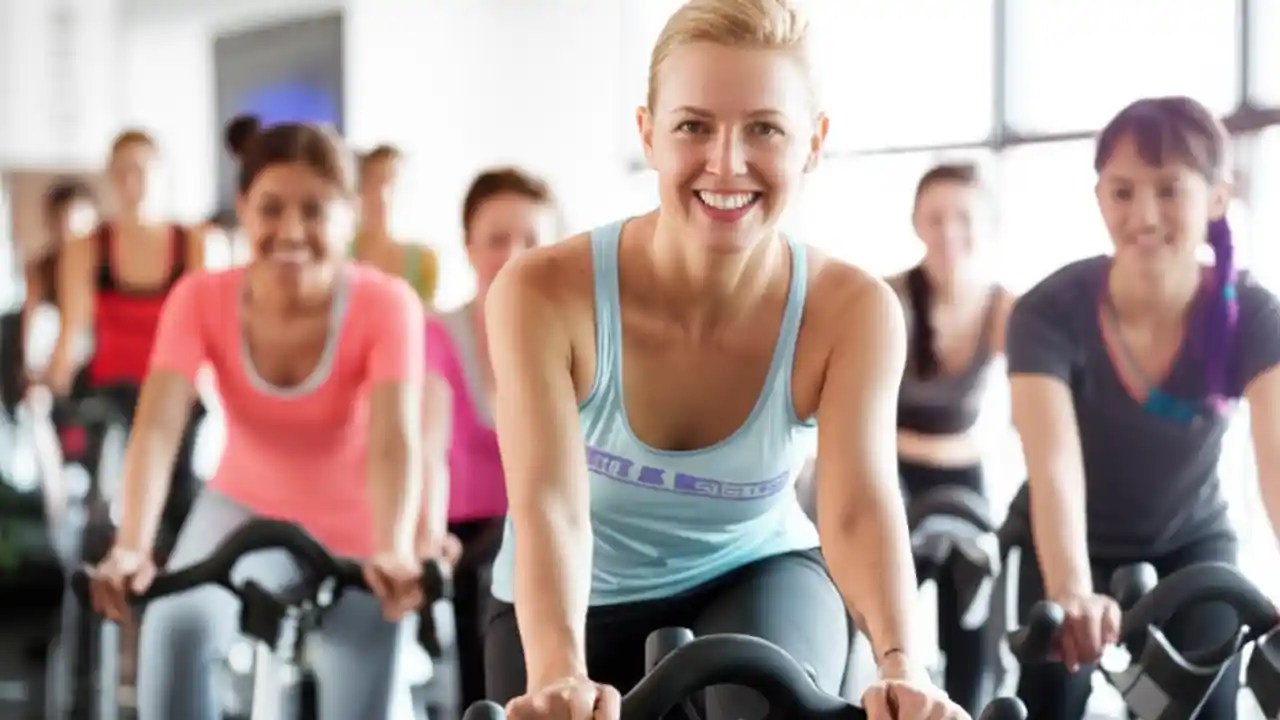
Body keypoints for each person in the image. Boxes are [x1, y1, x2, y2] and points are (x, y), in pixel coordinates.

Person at [481, 1, 967, 718]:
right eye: (693, 126)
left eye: (765, 128)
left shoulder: (853, 311)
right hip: (575, 598)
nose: (727, 163)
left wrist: (905, 665)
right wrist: (558, 668)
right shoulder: (542, 292)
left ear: (813, 142)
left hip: (755, 572)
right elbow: (551, 505)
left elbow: (859, 507)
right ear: (648, 133)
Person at [82, 122, 439, 720]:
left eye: (315, 211)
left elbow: (392, 441)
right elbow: (158, 427)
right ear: (243, 209)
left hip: (360, 525)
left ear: (349, 215)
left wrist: (395, 547)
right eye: (271, 209)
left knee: (362, 700)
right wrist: (131, 547)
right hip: (240, 506)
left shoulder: (387, 304)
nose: (291, 231)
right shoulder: (199, 298)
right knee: (173, 627)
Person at [1004, 95, 1280, 719]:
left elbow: (1278, 459)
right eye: (1123, 192)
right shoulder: (1047, 312)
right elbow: (1053, 465)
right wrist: (1073, 589)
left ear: (1215, 197)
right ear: (1099, 197)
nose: (1144, 215)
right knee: (1049, 702)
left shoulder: (1253, 314)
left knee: (1205, 707)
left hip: (1191, 542)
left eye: (1169, 190)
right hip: (1067, 545)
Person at [424, 166, 558, 709]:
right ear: (468, 247)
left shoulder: (575, 333)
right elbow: (428, 447)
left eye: (530, 240)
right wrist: (428, 531)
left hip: (551, 529)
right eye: (496, 240)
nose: (513, 254)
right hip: (469, 538)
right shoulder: (439, 331)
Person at [887, 163, 1013, 714]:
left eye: (963, 218)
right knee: (894, 611)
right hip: (889, 470)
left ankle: (968, 707)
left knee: (974, 613)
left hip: (965, 473)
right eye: (935, 218)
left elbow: (1027, 407)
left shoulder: (1003, 306)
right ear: (916, 222)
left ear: (987, 224)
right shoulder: (887, 296)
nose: (948, 232)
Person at [42, 130, 206, 546]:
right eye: (122, 172)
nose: (132, 182)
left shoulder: (194, 243)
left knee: (180, 503)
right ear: (111, 178)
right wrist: (52, 382)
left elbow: (208, 330)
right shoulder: (87, 246)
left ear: (161, 174)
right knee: (103, 511)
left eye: (141, 170)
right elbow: (73, 327)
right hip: (112, 391)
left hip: (175, 389)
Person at [350, 144, 439, 307]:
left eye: (391, 184)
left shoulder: (424, 261)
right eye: (373, 182)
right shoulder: (337, 255)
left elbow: (427, 323)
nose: (382, 195)